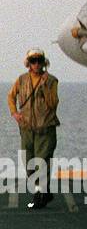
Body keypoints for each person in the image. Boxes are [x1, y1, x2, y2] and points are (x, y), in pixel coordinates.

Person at [8, 49, 59, 209]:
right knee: (29, 163)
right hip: (26, 129)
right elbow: (11, 96)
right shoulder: (21, 80)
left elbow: (53, 104)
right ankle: (45, 191)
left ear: (44, 62)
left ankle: (38, 195)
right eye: (33, 61)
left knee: (41, 163)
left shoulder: (51, 81)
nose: (36, 64)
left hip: (45, 128)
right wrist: (14, 113)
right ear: (28, 63)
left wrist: (44, 86)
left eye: (39, 60)